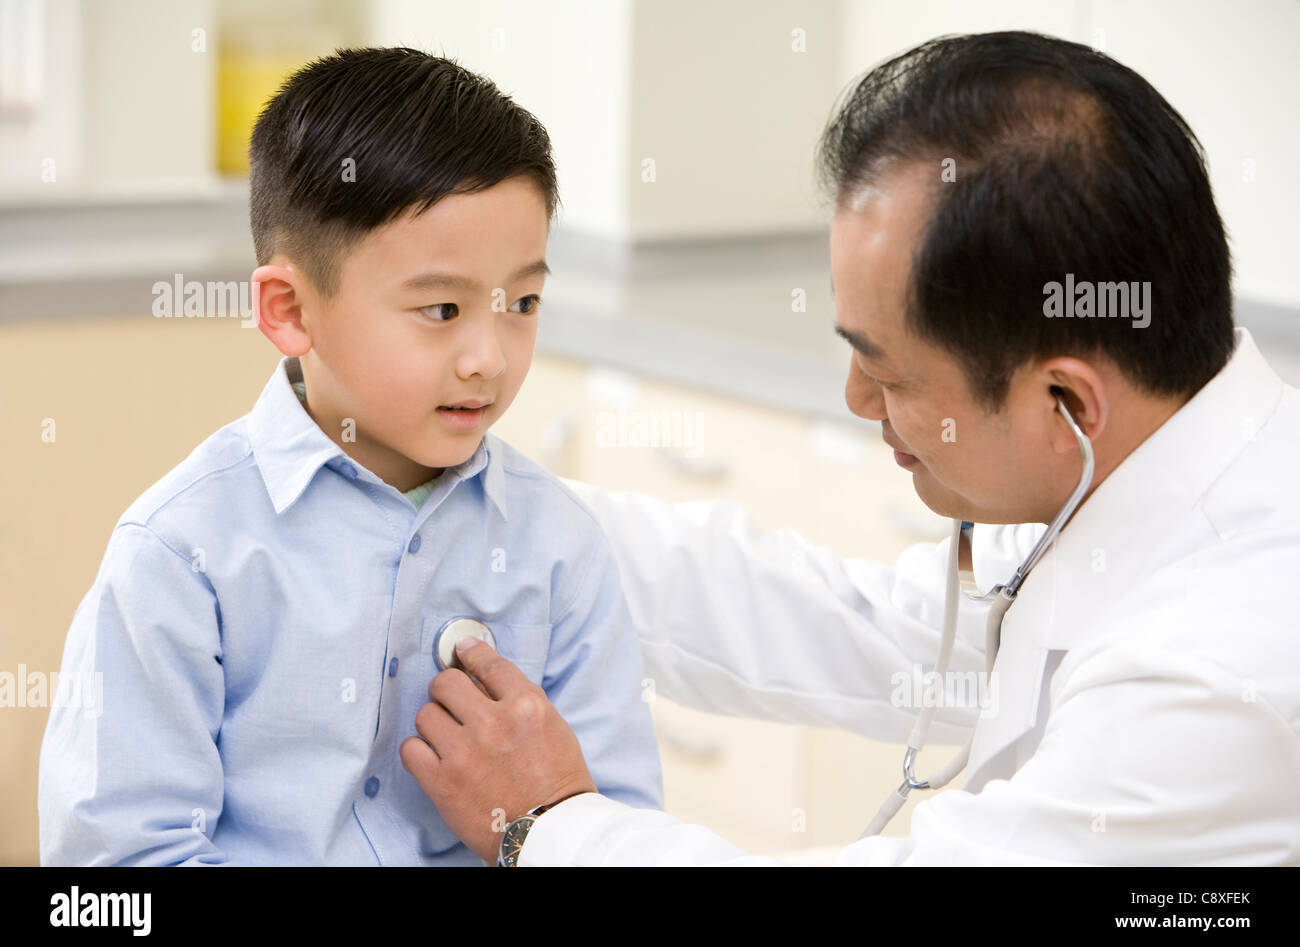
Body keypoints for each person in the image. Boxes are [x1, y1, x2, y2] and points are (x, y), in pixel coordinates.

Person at [401, 31, 1300, 866]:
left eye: (889, 373)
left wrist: (547, 824)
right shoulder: (1135, 468)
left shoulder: (1220, 670)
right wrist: (513, 523)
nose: (855, 400)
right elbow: (861, 625)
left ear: (1065, 400)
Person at [37, 48, 662, 865]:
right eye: (441, 308)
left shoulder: (558, 548)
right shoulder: (182, 555)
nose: (489, 357)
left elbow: (618, 835)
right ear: (290, 308)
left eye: (523, 303)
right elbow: (117, 867)